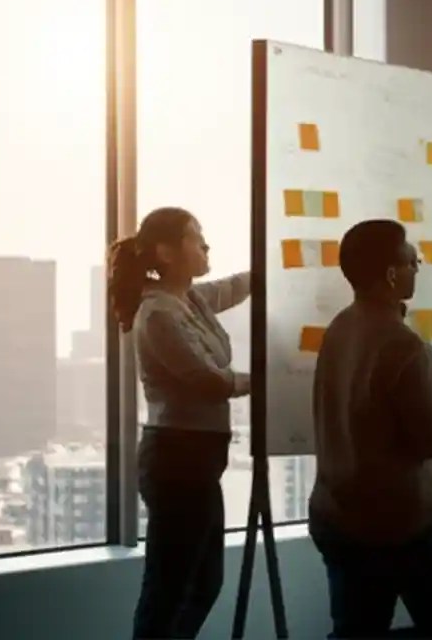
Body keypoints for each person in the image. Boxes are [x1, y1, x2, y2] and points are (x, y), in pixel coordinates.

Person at [308, 219, 432, 639]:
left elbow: (374, 403)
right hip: (403, 524)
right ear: (392, 274)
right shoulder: (404, 345)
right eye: (413, 260)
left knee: (355, 631)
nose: (418, 267)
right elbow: (431, 438)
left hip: (336, 513)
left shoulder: (341, 327)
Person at [110, 207, 253, 640]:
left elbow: (232, 288)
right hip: (177, 461)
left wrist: (274, 266)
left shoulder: (187, 299)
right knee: (170, 591)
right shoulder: (158, 314)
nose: (206, 245)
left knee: (203, 584)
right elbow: (208, 382)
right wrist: (269, 376)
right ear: (167, 252)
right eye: (197, 237)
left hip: (197, 461)